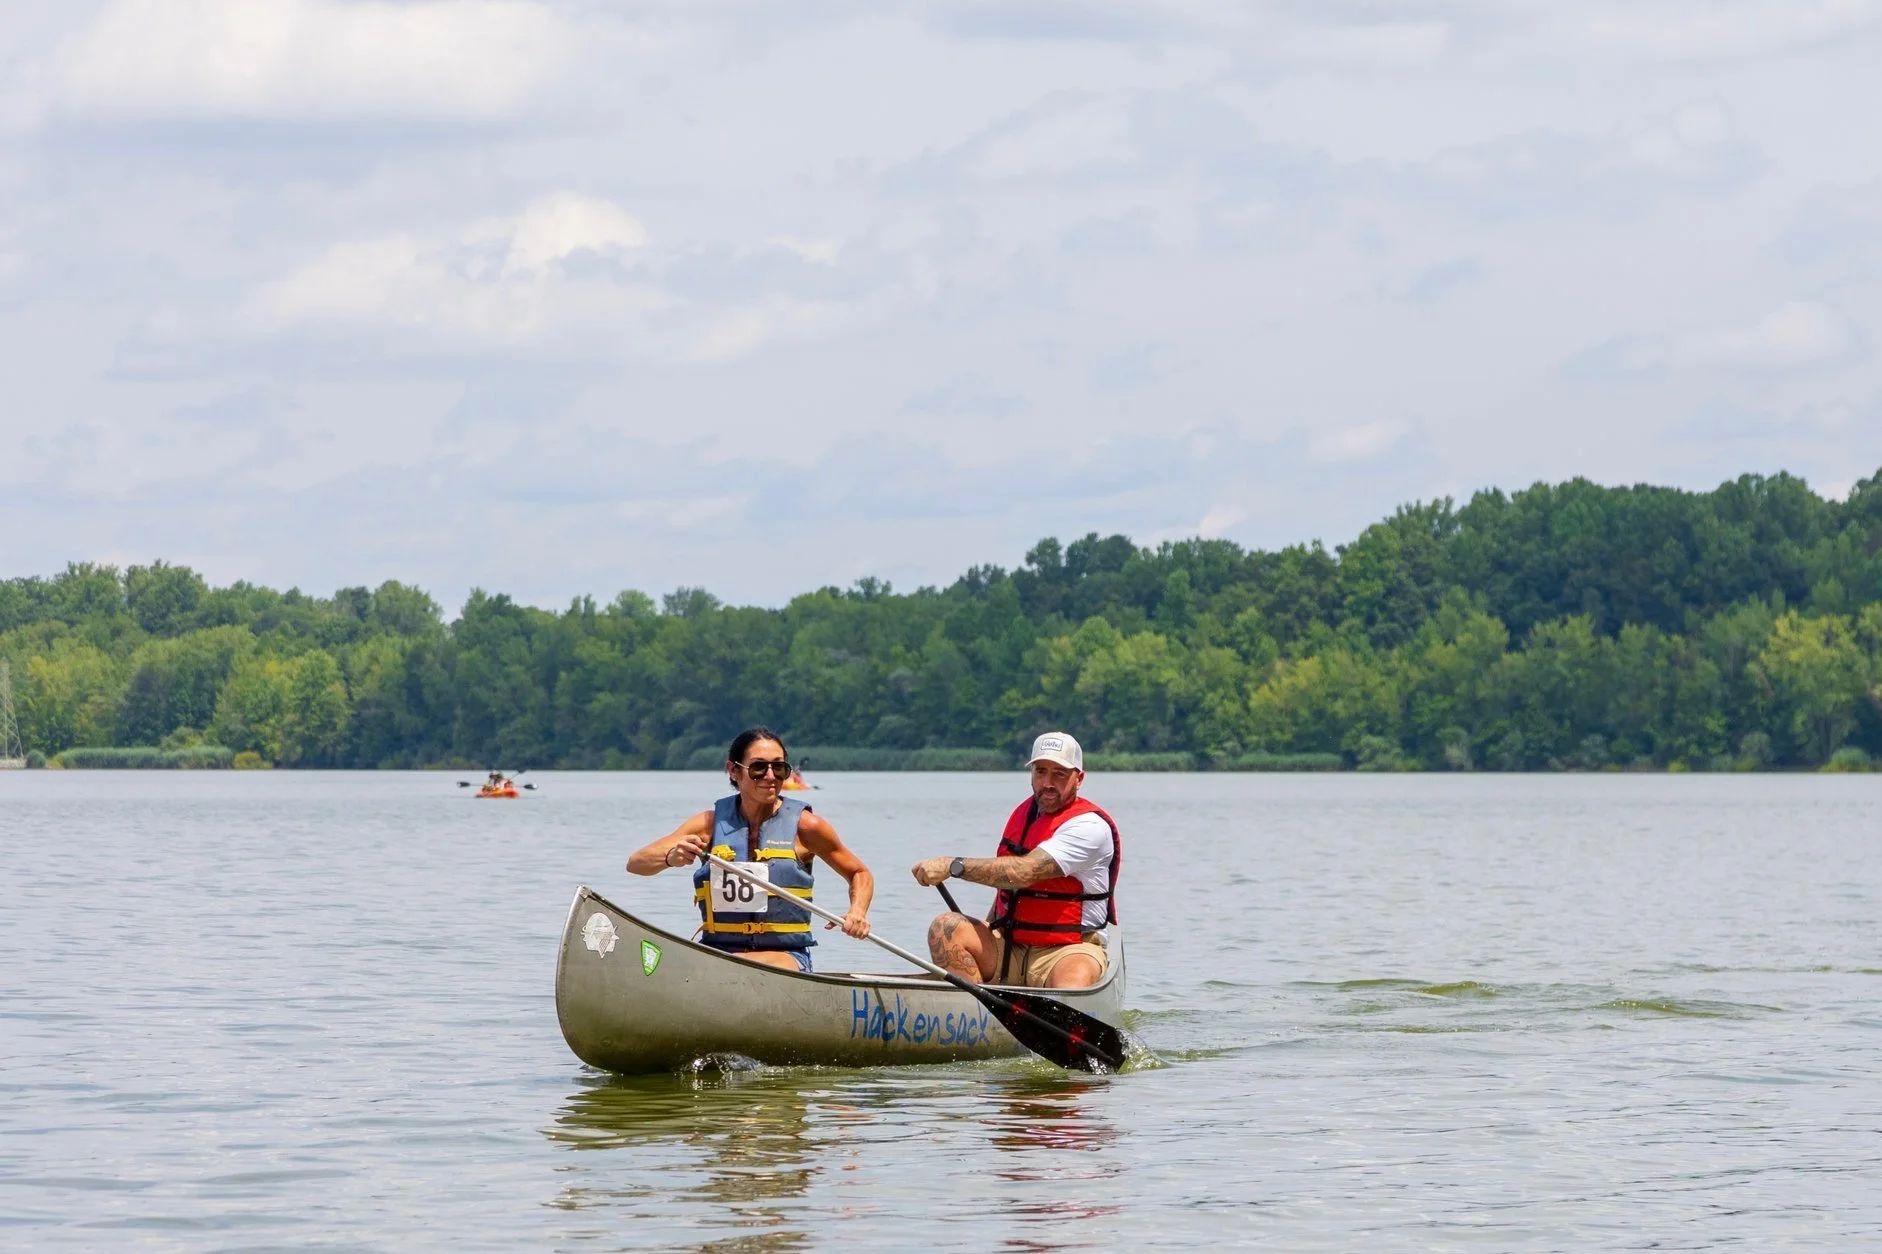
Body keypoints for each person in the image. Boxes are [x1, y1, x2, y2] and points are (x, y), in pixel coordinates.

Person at [627, 727, 873, 972]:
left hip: (785, 958)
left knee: (728, 967)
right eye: (758, 768)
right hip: (716, 954)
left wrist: (857, 912)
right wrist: (670, 857)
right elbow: (636, 863)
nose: (770, 776)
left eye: (779, 768)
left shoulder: (807, 826)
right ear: (733, 771)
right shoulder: (708, 824)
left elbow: (859, 874)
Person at [911, 731, 1119, 989]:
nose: (1048, 782)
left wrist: (952, 866)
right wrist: (988, 927)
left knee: (1074, 978)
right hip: (1011, 947)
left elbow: (1024, 871)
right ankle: (974, 1014)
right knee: (946, 928)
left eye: (1060, 774)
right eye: (1040, 772)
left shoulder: (1089, 827)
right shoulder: (1025, 816)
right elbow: (1006, 885)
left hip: (1068, 949)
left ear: (1080, 778)